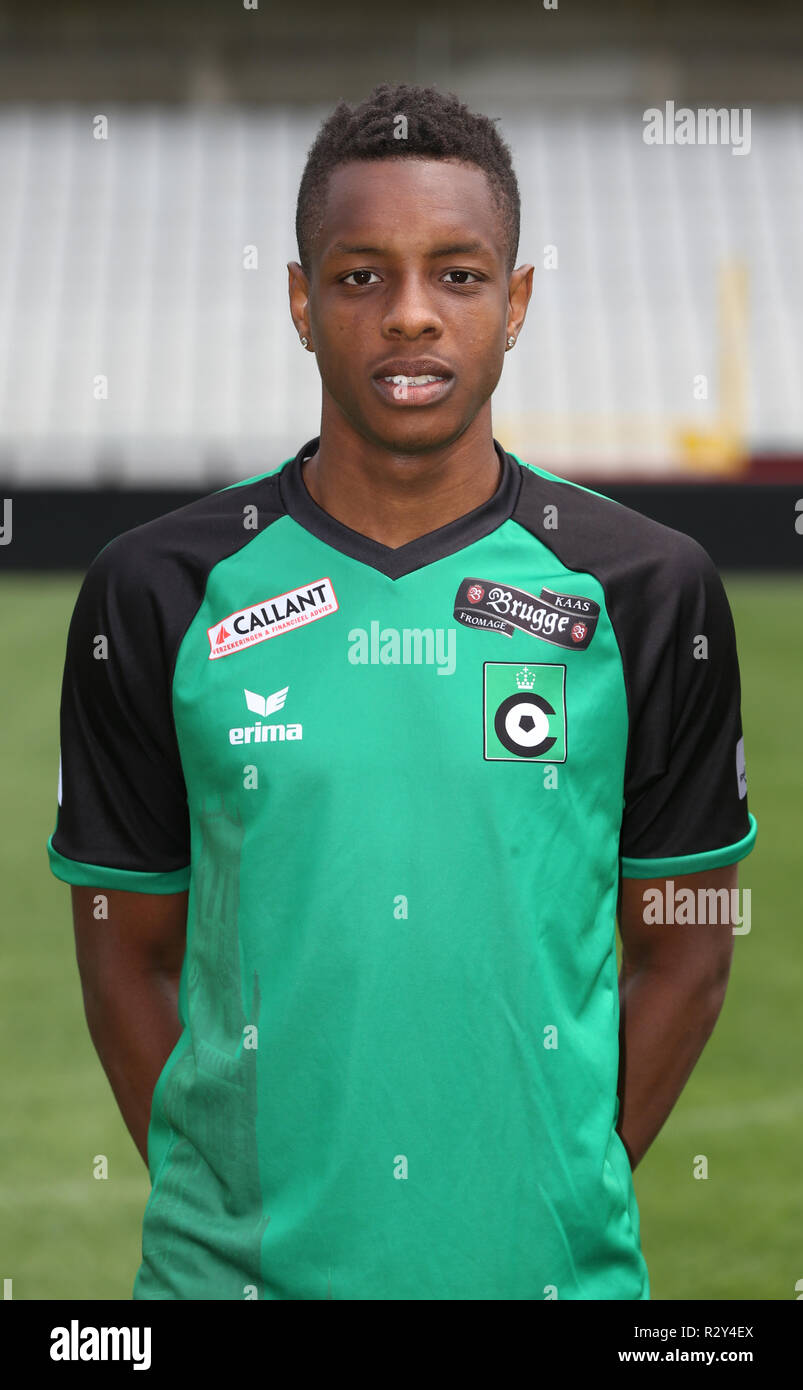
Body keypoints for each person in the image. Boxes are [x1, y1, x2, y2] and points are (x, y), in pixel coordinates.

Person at [47, 82, 757, 1301]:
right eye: (361, 276)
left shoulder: (648, 589)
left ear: (517, 302)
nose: (410, 316)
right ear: (299, 301)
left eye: (459, 275)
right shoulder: (153, 592)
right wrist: (238, 1210)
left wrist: (549, 1187)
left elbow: (686, 950)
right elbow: (125, 954)